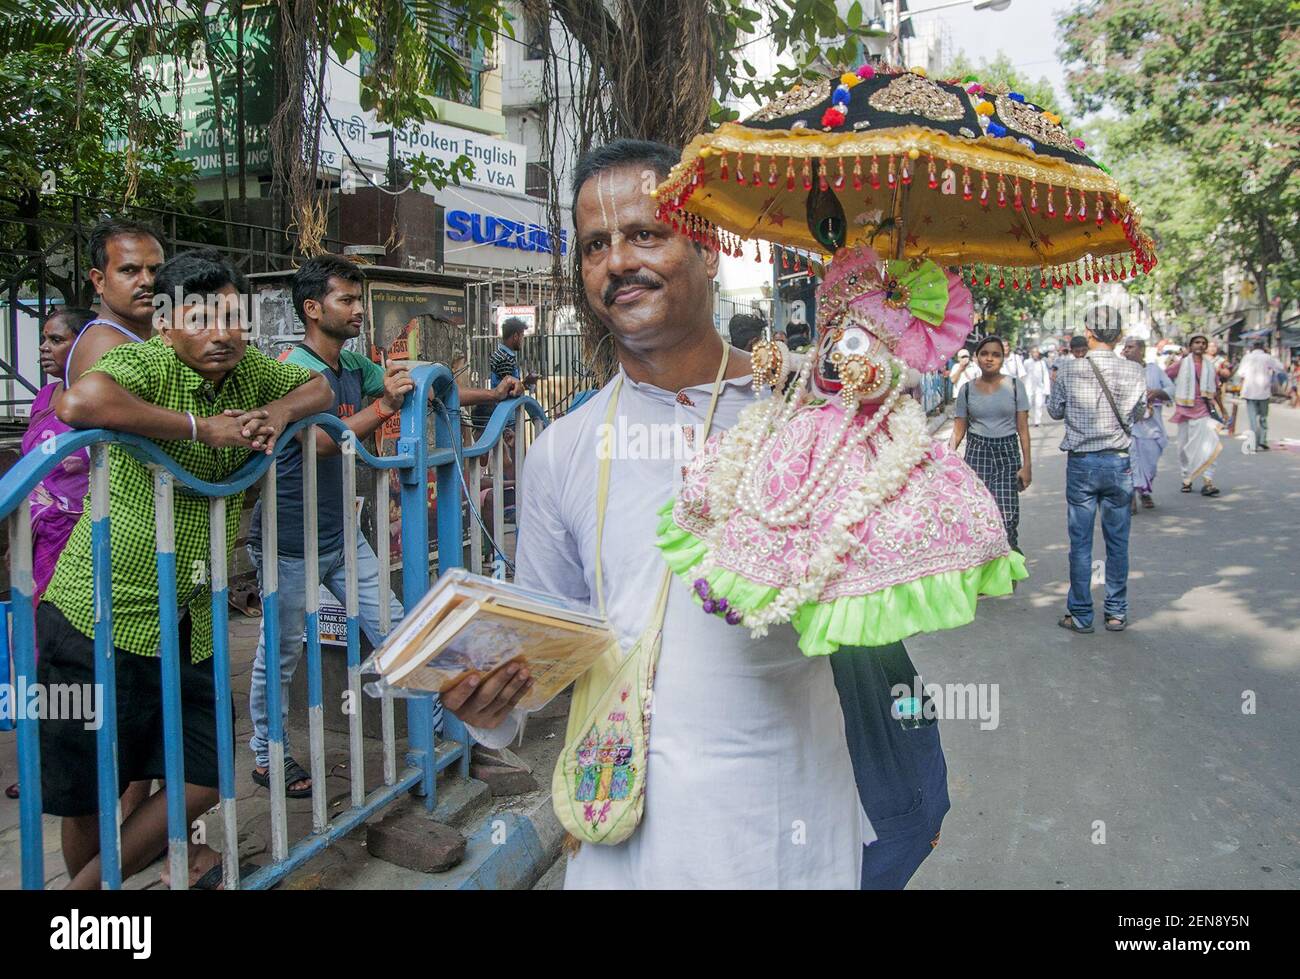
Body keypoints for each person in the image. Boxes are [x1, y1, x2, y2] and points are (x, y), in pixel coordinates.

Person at [442, 138, 875, 888]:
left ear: (707, 248)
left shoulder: (809, 417)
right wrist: (488, 703)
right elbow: (541, 655)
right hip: (627, 834)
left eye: (646, 233)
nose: (617, 263)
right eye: (595, 246)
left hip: (787, 823)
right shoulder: (563, 451)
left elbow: (884, 606)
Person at [40, 249, 332, 889]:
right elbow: (79, 403)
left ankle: (81, 897)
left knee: (203, 774)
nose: (221, 332)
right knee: (90, 791)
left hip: (191, 617)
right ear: (167, 324)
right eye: (200, 318)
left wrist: (280, 413)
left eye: (233, 316)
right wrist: (202, 429)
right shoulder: (145, 361)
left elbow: (320, 388)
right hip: (98, 615)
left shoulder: (250, 370)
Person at [246, 255, 414, 797]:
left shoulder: (351, 363)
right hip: (289, 541)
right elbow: (321, 441)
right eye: (347, 300)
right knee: (282, 652)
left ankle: (439, 734)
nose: (358, 309)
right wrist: (385, 407)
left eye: (358, 299)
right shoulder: (293, 368)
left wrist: (480, 395)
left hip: (341, 534)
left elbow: (389, 385)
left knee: (396, 627)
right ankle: (269, 756)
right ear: (313, 308)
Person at [4, 308, 98, 800]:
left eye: (57, 339)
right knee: (36, 655)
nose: (45, 348)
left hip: (82, 543)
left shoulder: (99, 400)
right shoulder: (46, 397)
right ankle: (43, 761)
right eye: (43, 338)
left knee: (74, 657)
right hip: (39, 546)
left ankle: (75, 764)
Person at [1047, 305, 1145, 633]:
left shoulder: (1067, 369)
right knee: (1118, 541)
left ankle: (1081, 614)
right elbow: (1140, 413)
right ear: (1118, 336)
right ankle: (1116, 612)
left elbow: (1054, 411)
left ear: (1088, 332)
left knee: (1080, 542)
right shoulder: (1135, 371)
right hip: (1119, 462)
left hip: (1082, 464)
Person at [950, 334, 1031, 551]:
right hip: (977, 454)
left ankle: (1009, 567)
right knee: (979, 517)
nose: (989, 359)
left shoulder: (1015, 387)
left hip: (1007, 455)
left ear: (1003, 358)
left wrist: (1027, 466)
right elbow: (958, 431)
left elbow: (1023, 429)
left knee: (1008, 517)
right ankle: (984, 570)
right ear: (976, 357)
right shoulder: (966, 390)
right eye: (984, 354)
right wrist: (947, 461)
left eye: (996, 354)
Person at [65, 219, 166, 383]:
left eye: (155, 270)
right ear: (99, 281)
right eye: (128, 270)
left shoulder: (131, 337)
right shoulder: (108, 347)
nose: (147, 281)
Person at [1167, 332, 1224, 496]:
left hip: (1204, 411)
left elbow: (1216, 389)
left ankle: (1208, 481)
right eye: (1196, 342)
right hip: (1184, 411)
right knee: (1184, 449)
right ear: (1190, 346)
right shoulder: (1181, 364)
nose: (1200, 345)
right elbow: (1164, 378)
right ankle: (1187, 479)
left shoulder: (1210, 366)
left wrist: (1223, 409)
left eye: (1203, 343)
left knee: (1209, 445)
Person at [1122, 336, 1174, 510]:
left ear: (1141, 350)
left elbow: (1171, 389)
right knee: (1131, 460)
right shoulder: (1120, 370)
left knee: (1150, 464)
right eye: (1125, 347)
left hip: (1152, 426)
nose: (1126, 350)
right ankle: (1131, 498)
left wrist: (1157, 392)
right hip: (1130, 425)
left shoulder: (1154, 370)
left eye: (1130, 347)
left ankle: (1144, 491)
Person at [1235, 340, 1284, 451]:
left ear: (1253, 347)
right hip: (1264, 392)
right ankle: (1262, 440)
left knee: (1252, 419)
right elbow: (1280, 367)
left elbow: (1240, 373)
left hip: (1249, 392)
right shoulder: (1267, 357)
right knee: (1263, 417)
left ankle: (1253, 442)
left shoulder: (1247, 357)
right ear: (1264, 347)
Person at [1024, 347, 1050, 427]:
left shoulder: (1042, 363)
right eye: (1033, 352)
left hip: (1039, 387)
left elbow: (1045, 376)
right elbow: (1023, 374)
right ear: (1031, 353)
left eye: (1036, 352)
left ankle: (1037, 422)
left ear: (1038, 353)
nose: (1035, 354)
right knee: (1027, 404)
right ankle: (1024, 421)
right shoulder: (1027, 362)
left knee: (1039, 404)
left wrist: (1047, 389)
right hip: (1028, 386)